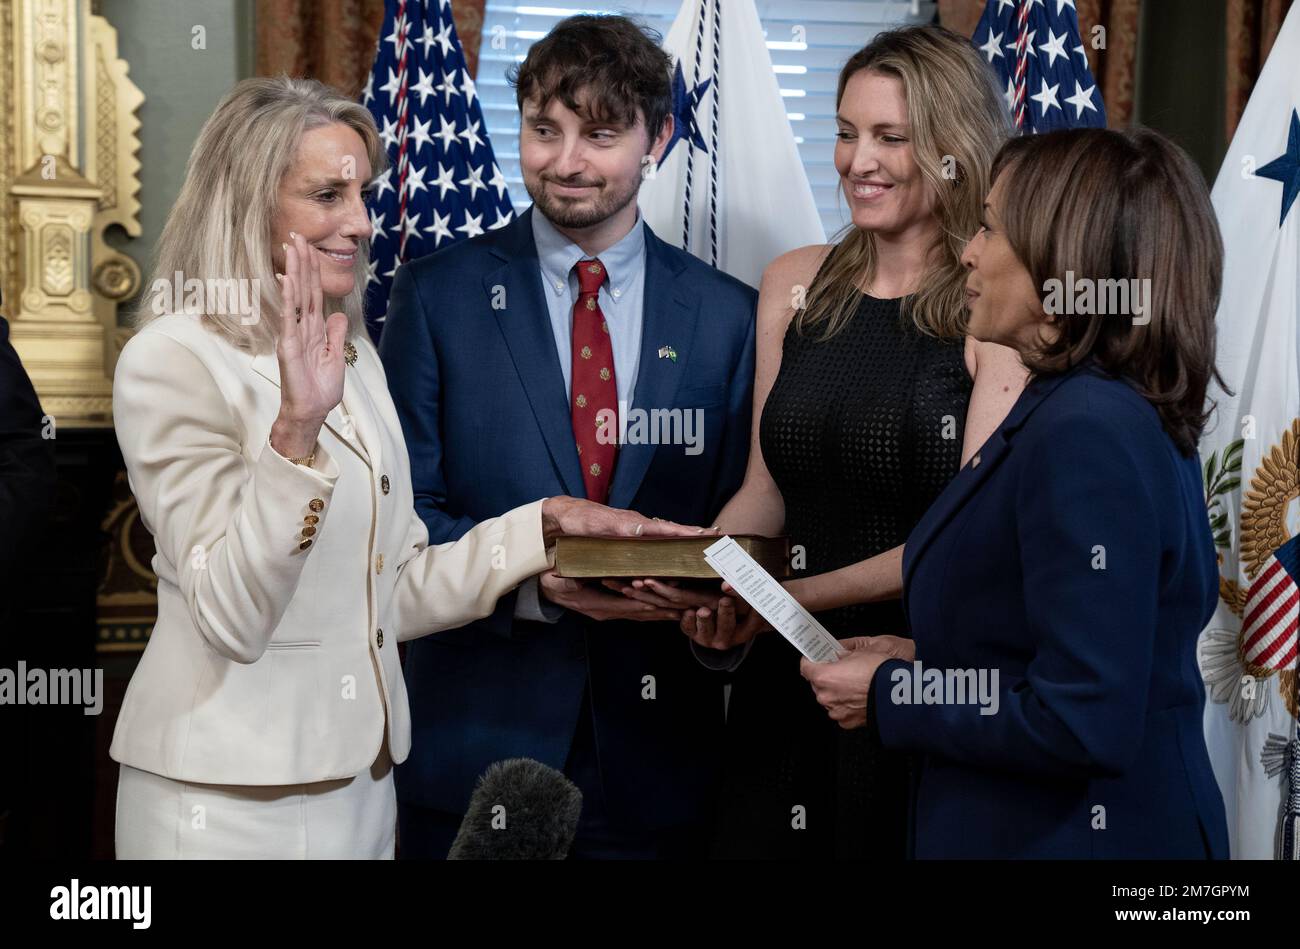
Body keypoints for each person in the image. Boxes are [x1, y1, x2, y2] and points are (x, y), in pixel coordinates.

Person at [109, 76, 687, 859]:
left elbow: (392, 585)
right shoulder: (171, 359)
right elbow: (231, 615)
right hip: (225, 799)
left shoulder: (355, 354)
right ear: (247, 203)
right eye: (327, 195)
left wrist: (543, 527)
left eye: (363, 194)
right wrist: (295, 435)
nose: (360, 222)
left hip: (365, 786)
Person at [613, 25, 1026, 859]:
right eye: (844, 131)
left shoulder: (995, 310)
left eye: (889, 137)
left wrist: (786, 601)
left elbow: (968, 544)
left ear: (953, 149)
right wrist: (706, 580)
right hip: (785, 681)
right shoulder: (792, 284)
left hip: (916, 678)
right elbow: (764, 495)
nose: (856, 160)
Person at [379, 14, 756, 859]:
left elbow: (734, 527)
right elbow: (401, 521)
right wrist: (528, 583)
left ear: (659, 137)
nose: (566, 161)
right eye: (544, 130)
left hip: (661, 767)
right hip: (473, 755)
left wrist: (719, 620)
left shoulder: (730, 316)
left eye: (600, 134)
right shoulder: (436, 297)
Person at [802, 126, 1232, 859]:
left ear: (1061, 262)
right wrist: (926, 658)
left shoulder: (1087, 430)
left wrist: (895, 694)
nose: (967, 250)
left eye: (990, 228)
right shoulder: (1079, 404)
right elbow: (1046, 646)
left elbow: (1081, 719)